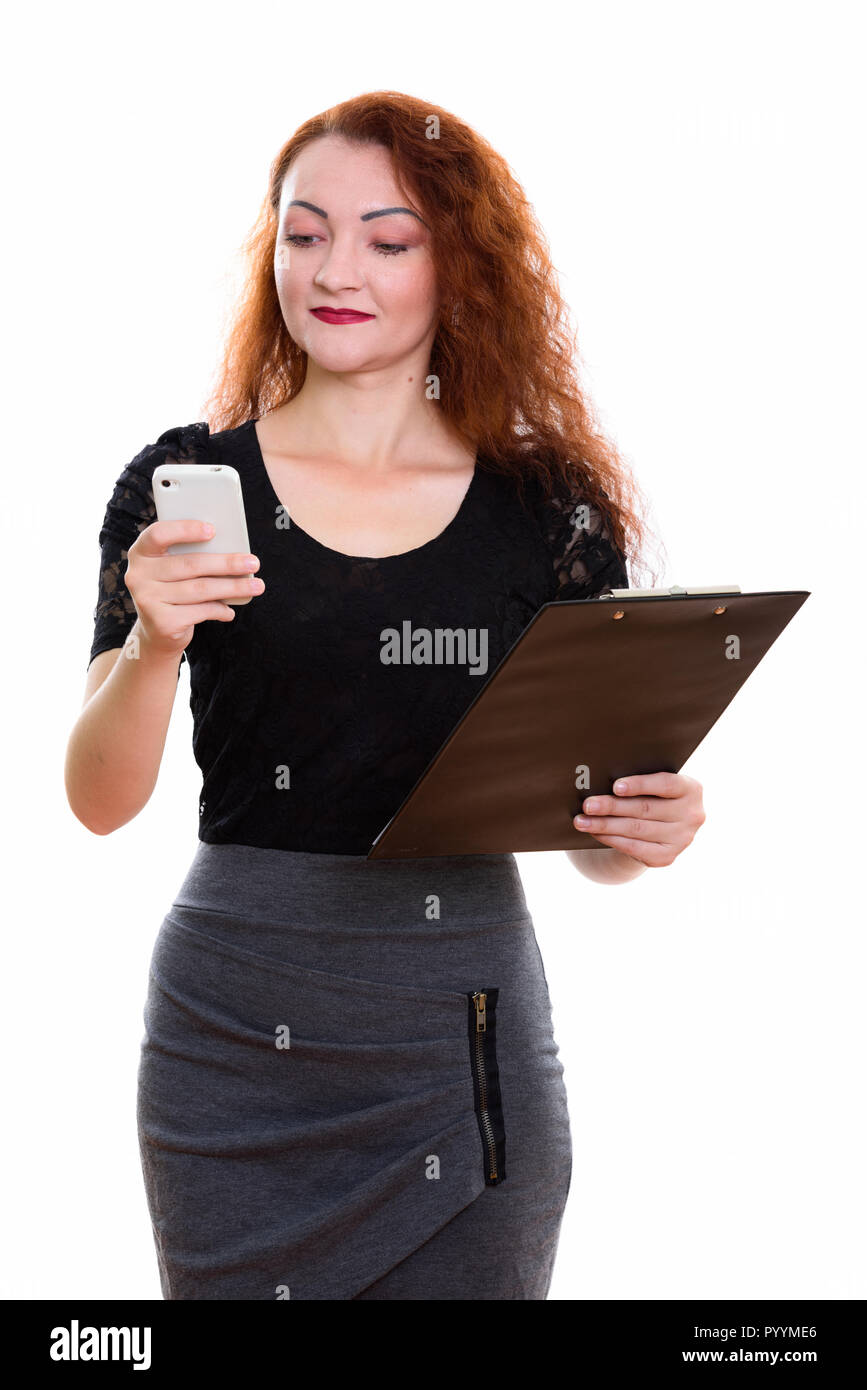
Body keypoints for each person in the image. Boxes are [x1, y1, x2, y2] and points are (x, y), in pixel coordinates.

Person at [65, 91, 706, 1301]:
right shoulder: (183, 482)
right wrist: (153, 645)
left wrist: (641, 828)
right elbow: (98, 803)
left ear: (458, 270)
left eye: (386, 239)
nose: (334, 269)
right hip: (234, 1043)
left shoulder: (545, 510)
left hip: (461, 1039)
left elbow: (593, 833)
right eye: (304, 235)